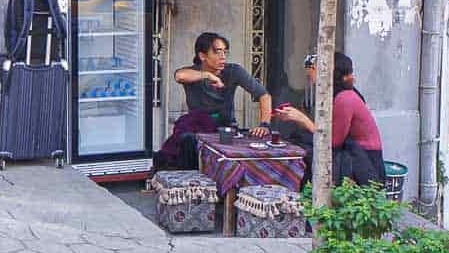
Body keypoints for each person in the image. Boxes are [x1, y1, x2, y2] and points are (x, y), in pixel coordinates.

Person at [151, 32, 273, 172]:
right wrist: (208, 75)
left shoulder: (234, 71)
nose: (223, 57)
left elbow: (264, 95)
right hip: (198, 129)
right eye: (217, 52)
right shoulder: (193, 72)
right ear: (202, 56)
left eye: (224, 52)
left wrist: (264, 124)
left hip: (226, 128)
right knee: (186, 140)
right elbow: (179, 76)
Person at [275, 52, 386, 188]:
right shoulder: (338, 95)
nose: (311, 74)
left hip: (363, 162)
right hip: (354, 155)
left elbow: (332, 141)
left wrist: (302, 119)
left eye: (317, 69)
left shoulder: (345, 98)